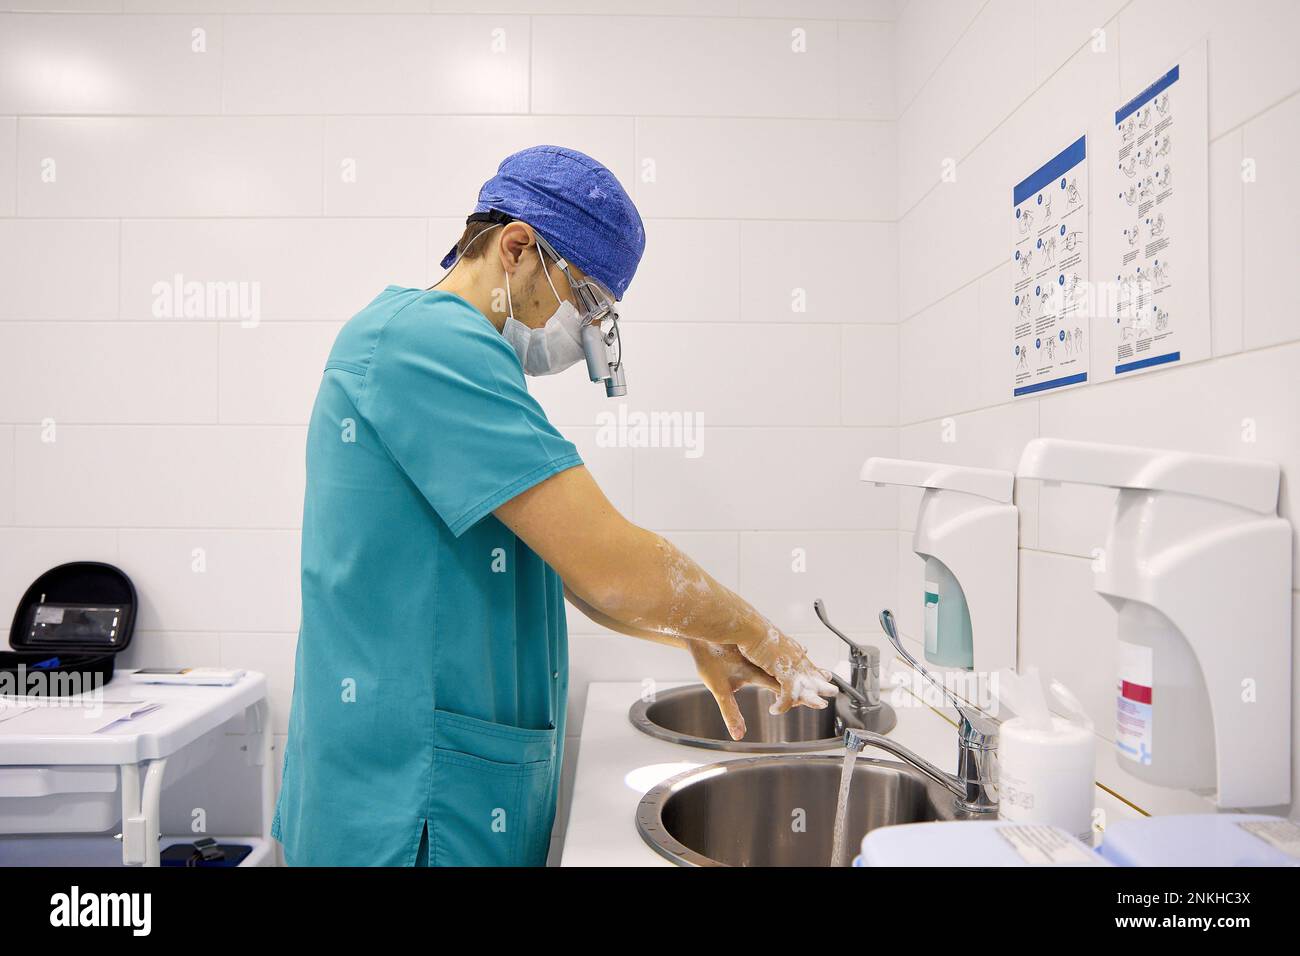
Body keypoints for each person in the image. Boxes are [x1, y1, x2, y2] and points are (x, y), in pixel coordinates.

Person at [272, 145, 836, 866]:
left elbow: (568, 573)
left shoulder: (454, 355)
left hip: (438, 785)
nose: (589, 331)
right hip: (411, 803)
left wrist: (695, 636)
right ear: (517, 249)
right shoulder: (428, 344)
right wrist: (761, 635)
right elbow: (610, 565)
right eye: (589, 300)